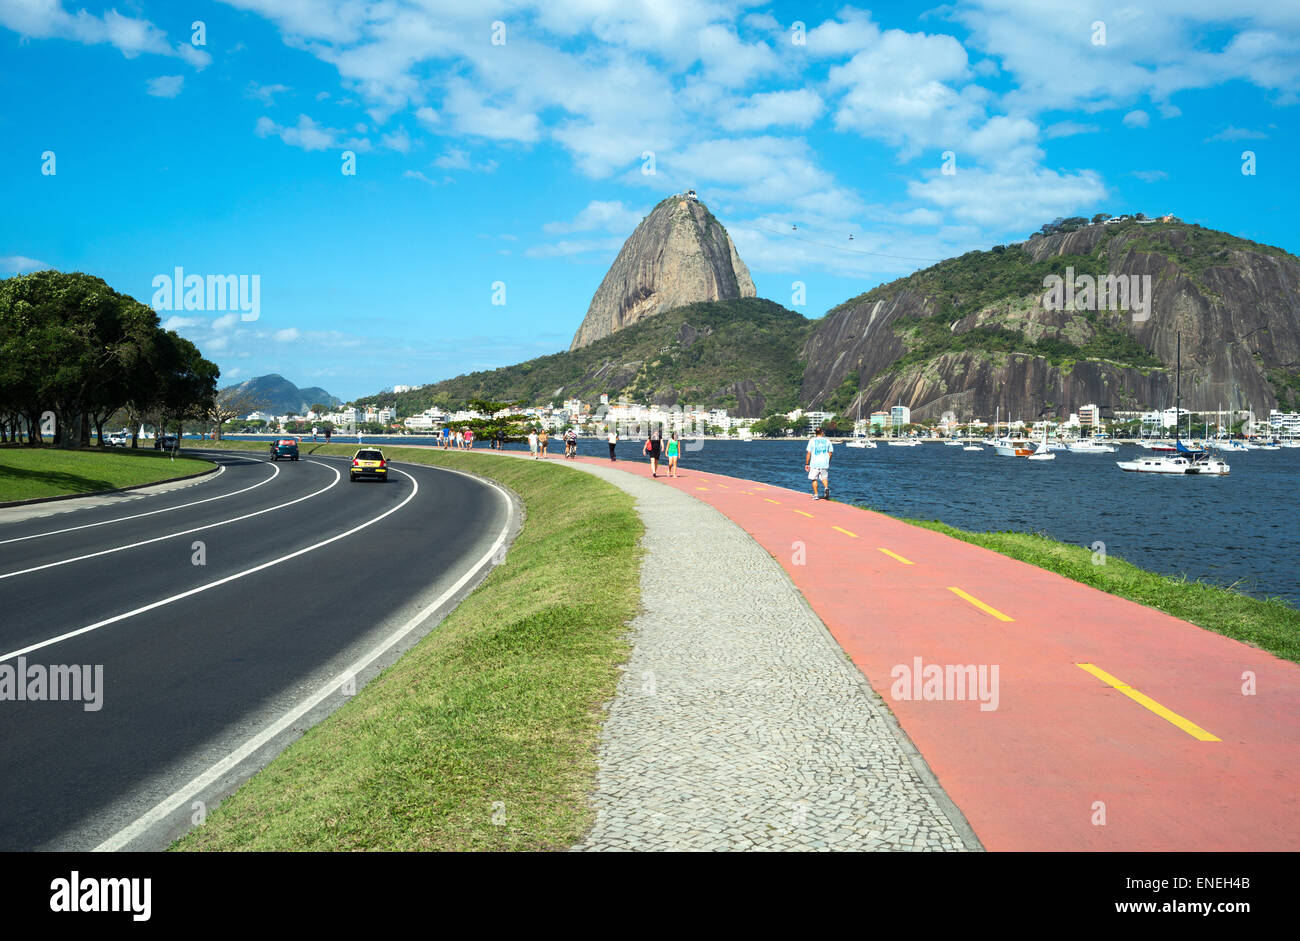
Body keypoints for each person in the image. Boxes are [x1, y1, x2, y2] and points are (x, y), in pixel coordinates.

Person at [805, 426, 833, 500]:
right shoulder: (827, 441)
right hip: (824, 463)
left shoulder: (812, 441)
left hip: (814, 463)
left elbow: (809, 453)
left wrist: (807, 464)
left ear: (815, 433)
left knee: (814, 479)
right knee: (824, 478)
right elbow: (830, 453)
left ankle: (816, 494)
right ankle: (826, 488)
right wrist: (828, 462)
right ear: (822, 433)